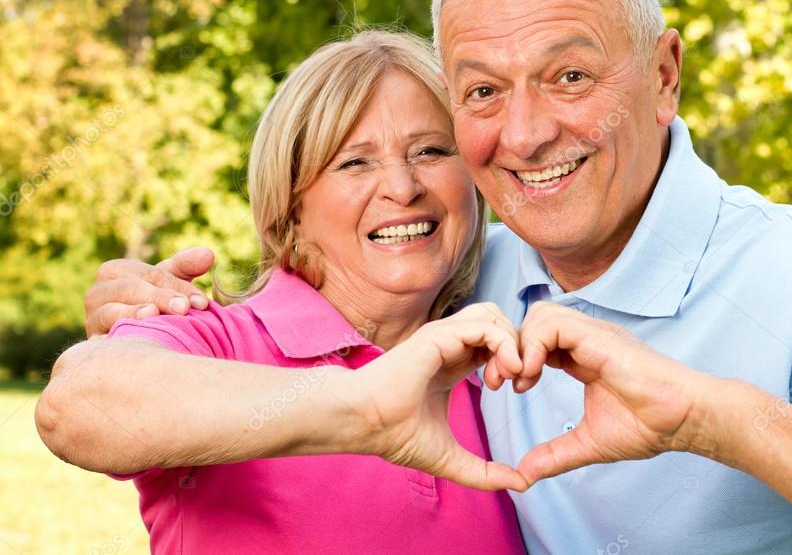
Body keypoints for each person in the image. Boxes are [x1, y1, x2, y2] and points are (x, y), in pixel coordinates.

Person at [78, 0, 792, 554]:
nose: (526, 134)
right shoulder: (465, 276)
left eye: (570, 76)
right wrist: (136, 313)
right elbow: (111, 397)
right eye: (483, 91)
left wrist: (716, 420)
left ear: (662, 75)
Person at [35, 30, 527, 553]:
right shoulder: (217, 338)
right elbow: (75, 407)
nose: (403, 188)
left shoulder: (497, 358)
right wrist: (364, 408)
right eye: (354, 162)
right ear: (290, 206)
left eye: (431, 150)